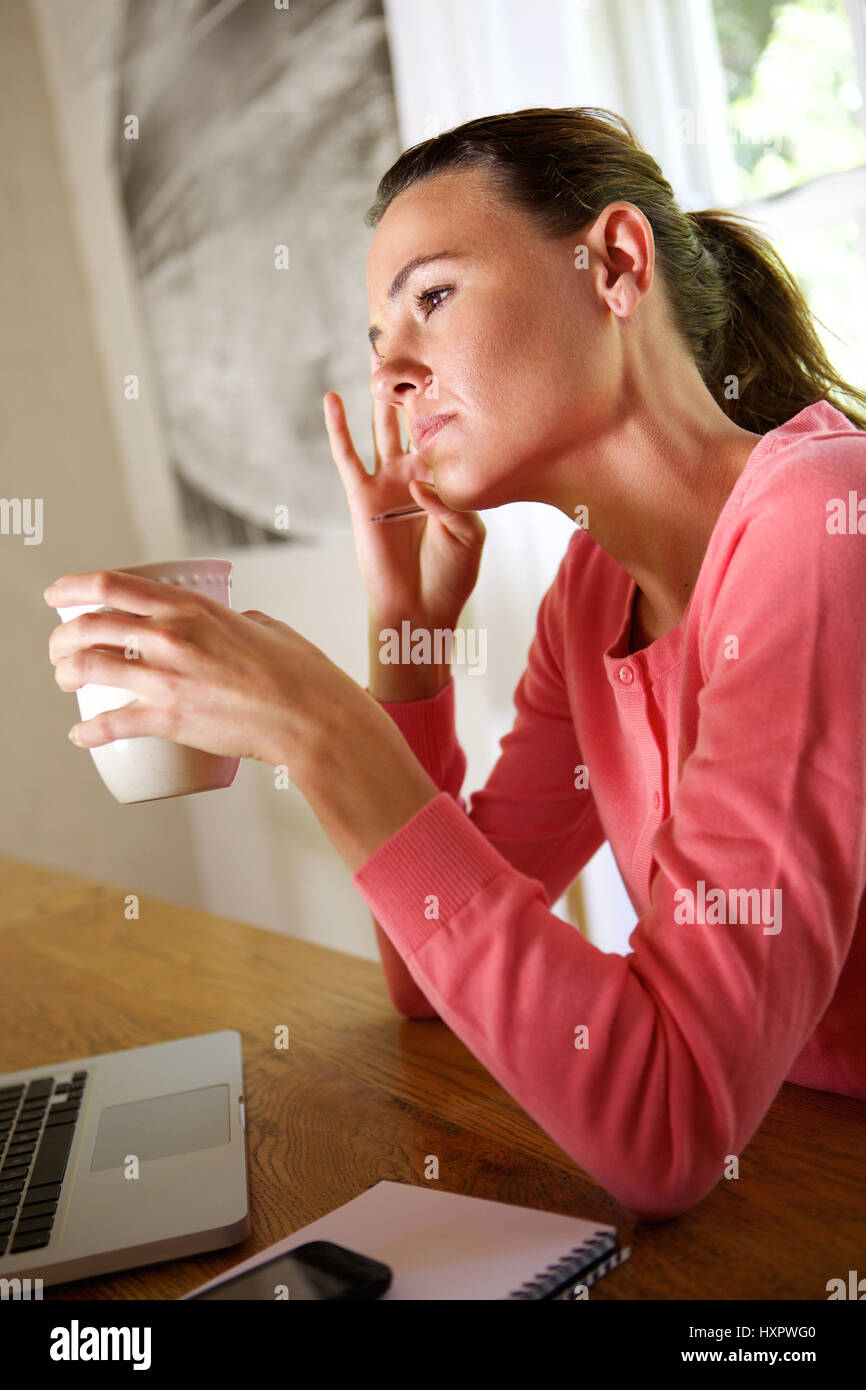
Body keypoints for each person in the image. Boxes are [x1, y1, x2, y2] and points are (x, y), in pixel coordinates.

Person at [48, 108, 866, 1221]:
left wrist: (316, 729)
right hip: (798, 1155)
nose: (390, 372)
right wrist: (405, 634)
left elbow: (667, 1128)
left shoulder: (822, 523)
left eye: (431, 297)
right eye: (377, 341)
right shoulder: (590, 592)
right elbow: (425, 978)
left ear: (613, 264)